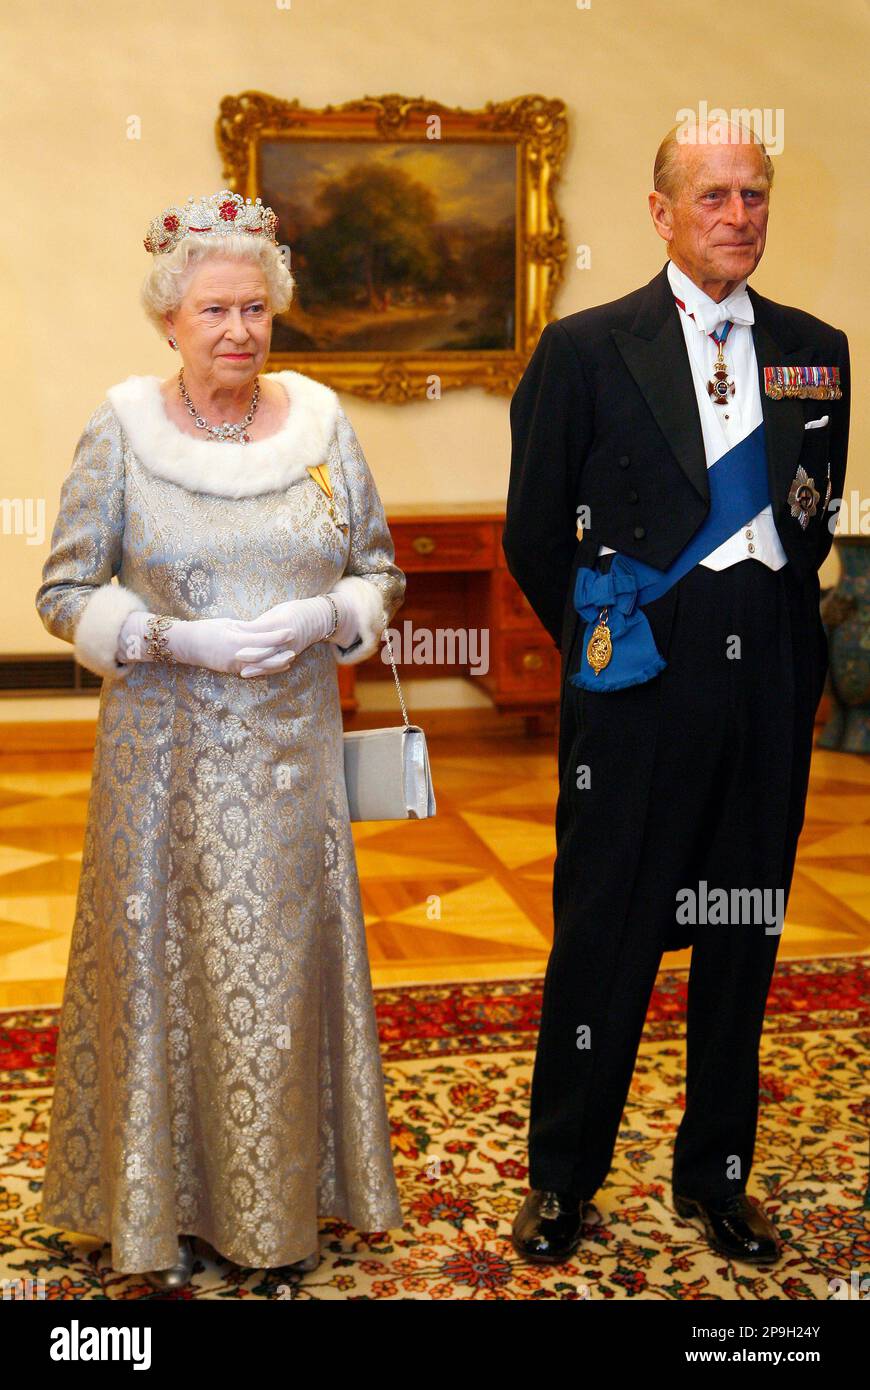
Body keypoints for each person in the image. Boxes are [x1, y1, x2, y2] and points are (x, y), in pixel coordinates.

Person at [36, 189, 406, 1290]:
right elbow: (63, 590)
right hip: (162, 766)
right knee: (163, 975)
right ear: (170, 319)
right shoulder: (123, 429)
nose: (239, 330)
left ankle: (276, 1214)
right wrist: (167, 637)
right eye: (215, 311)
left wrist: (330, 616)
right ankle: (157, 1212)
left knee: (278, 980)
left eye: (255, 308)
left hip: (292, 762)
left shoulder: (325, 425)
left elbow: (378, 567)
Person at [504, 119, 850, 1266]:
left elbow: (808, 515)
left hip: (770, 679)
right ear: (660, 211)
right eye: (713, 196)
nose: (738, 215)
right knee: (607, 932)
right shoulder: (589, 349)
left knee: (742, 927)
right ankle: (564, 1178)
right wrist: (606, 644)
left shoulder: (815, 349)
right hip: (642, 681)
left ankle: (717, 1175)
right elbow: (533, 532)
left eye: (754, 194)